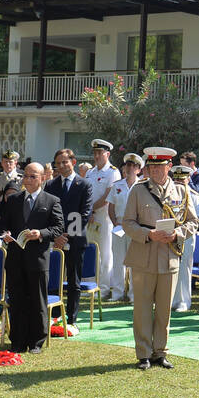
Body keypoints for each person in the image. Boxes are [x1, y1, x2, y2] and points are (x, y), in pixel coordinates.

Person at [122, 147, 198, 369]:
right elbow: (127, 222)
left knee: (164, 308)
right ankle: (143, 353)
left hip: (169, 256)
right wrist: (148, 234)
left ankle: (160, 352)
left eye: (159, 167)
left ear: (168, 168)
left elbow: (193, 221)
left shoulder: (181, 191)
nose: (154, 171)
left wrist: (178, 234)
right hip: (144, 254)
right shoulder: (138, 191)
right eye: (151, 167)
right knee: (143, 307)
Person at [0, 161, 65, 354]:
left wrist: (40, 233)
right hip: (16, 258)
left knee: (37, 301)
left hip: (38, 259)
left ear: (42, 178)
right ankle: (17, 340)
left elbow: (58, 227)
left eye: (33, 176)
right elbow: (2, 224)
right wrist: (6, 234)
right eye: (25, 175)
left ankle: (36, 342)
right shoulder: (14, 199)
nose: (28, 179)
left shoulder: (51, 201)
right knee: (17, 300)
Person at [46, 148, 94, 334]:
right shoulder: (51, 185)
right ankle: (56, 316)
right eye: (58, 163)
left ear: (73, 162)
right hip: (55, 241)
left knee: (74, 281)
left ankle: (72, 319)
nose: (62, 166)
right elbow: (48, 211)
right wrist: (56, 235)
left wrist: (65, 235)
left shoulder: (84, 185)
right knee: (55, 279)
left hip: (75, 240)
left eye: (65, 162)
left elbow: (84, 213)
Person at [83, 140, 123, 301]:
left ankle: (104, 288)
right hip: (89, 217)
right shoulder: (90, 173)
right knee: (90, 252)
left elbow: (108, 196)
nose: (97, 156)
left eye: (100, 153)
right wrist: (88, 211)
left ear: (107, 154)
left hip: (104, 218)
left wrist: (92, 209)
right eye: (95, 153)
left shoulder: (113, 172)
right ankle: (89, 285)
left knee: (105, 254)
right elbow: (85, 193)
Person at [106, 152, 144, 303]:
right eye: (128, 165)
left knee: (135, 262)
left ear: (139, 170)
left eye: (134, 166)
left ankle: (134, 294)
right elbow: (111, 207)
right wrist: (115, 224)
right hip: (120, 226)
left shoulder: (143, 186)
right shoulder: (117, 186)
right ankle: (117, 293)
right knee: (118, 261)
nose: (130, 168)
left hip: (136, 227)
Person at [170, 162, 199, 312]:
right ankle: (170, 299)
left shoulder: (194, 196)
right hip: (170, 236)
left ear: (188, 179)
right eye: (177, 180)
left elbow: (194, 220)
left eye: (182, 180)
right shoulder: (168, 194)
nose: (179, 183)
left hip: (187, 237)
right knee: (170, 268)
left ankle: (183, 301)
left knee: (184, 268)